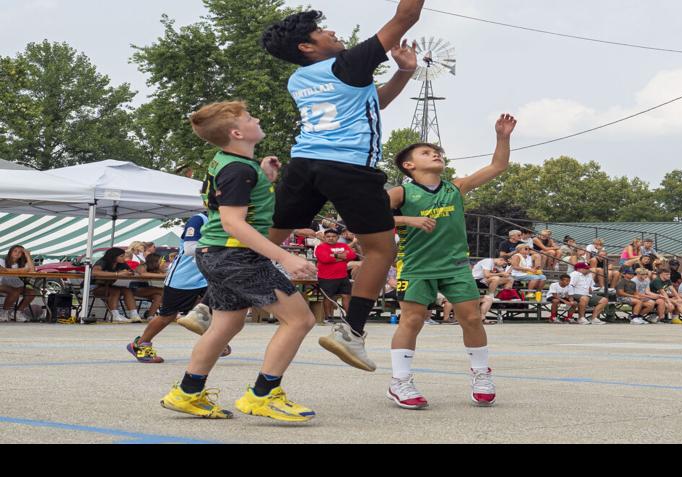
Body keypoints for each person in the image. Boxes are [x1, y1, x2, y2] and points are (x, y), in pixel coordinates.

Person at [260, 0, 424, 372]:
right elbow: (407, 16)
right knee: (381, 250)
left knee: (266, 239)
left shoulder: (298, 79)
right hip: (348, 166)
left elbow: (372, 102)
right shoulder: (347, 64)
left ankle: (209, 304)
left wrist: (404, 72)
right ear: (306, 45)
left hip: (304, 163)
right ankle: (351, 331)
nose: (332, 32)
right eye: (322, 31)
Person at [159, 100, 321, 422]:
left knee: (227, 324)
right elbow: (233, 222)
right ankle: (263, 395)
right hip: (236, 255)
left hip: (216, 253)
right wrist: (284, 256)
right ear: (236, 133)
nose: (256, 118)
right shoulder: (238, 171)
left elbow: (231, 200)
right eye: (249, 117)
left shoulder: (233, 164)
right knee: (300, 320)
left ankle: (187, 393)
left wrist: (262, 174)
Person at [383, 115, 516, 410]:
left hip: (454, 265)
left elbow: (498, 166)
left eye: (437, 152)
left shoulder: (455, 188)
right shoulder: (401, 193)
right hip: (416, 265)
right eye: (426, 152)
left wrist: (502, 137)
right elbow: (366, 217)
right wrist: (407, 219)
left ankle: (481, 375)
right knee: (412, 320)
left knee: (472, 318)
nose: (435, 154)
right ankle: (399, 381)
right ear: (409, 165)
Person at [127, 212, 236, 364]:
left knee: (218, 309)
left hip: (206, 277)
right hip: (184, 278)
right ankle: (140, 344)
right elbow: (190, 249)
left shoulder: (230, 219)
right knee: (167, 316)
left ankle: (213, 340)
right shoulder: (199, 219)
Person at [3, 245, 37, 321]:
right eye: (15, 251)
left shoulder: (22, 263)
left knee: (31, 293)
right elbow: (3, 270)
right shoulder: (2, 260)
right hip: (2, 284)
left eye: (20, 252)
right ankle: (4, 313)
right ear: (10, 252)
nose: (17, 253)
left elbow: (32, 272)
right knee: (15, 291)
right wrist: (24, 270)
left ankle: (17, 312)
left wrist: (28, 256)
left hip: (16, 285)